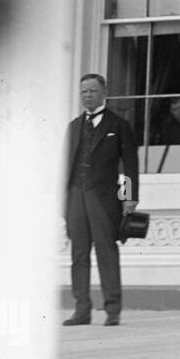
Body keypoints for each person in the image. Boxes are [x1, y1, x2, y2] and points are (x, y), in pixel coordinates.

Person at [63, 73, 139, 326]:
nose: (88, 95)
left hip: (104, 197)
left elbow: (129, 164)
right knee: (79, 253)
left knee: (107, 252)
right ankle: (81, 309)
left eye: (93, 91)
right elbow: (66, 165)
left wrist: (128, 198)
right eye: (83, 91)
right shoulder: (73, 126)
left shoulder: (118, 125)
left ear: (104, 92)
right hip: (76, 195)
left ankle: (112, 309)